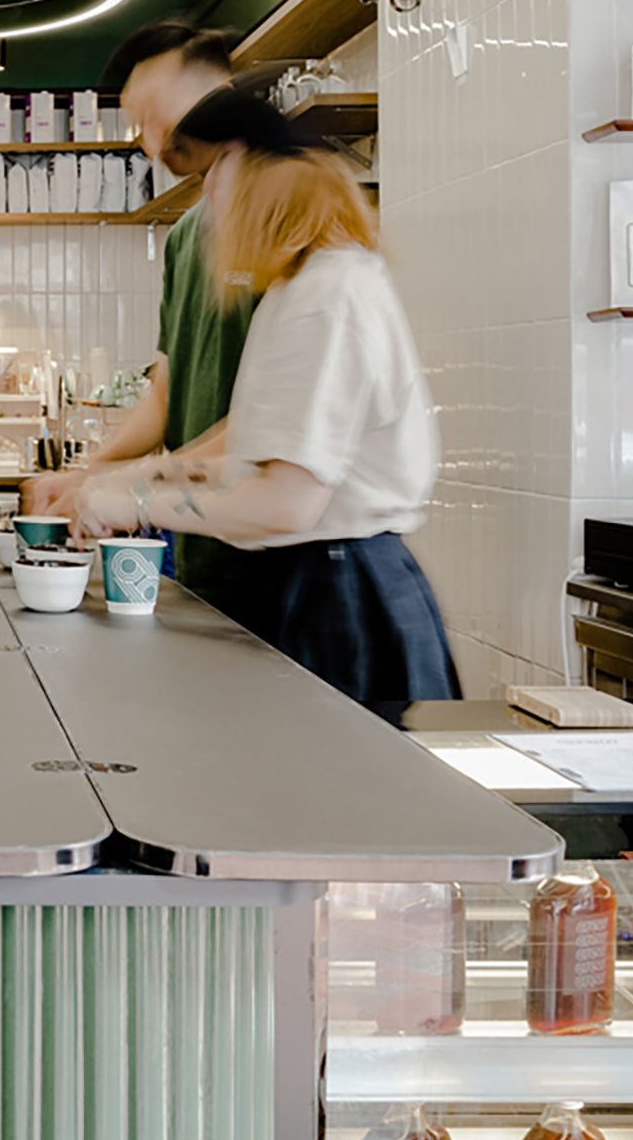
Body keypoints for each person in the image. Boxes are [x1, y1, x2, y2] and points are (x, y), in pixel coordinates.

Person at [69, 120, 457, 705]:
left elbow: (287, 502)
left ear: (274, 188)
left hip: (343, 595)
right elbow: (254, 452)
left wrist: (137, 503)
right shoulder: (300, 286)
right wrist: (133, 477)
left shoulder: (329, 295)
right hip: (323, 581)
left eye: (219, 176)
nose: (208, 200)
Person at [21, 23, 266, 628]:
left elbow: (277, 425)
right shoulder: (186, 239)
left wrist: (133, 484)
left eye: (158, 114)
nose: (151, 141)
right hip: (204, 539)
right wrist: (87, 472)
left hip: (278, 547)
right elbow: (165, 388)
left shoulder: (286, 222)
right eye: (139, 126)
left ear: (221, 93)